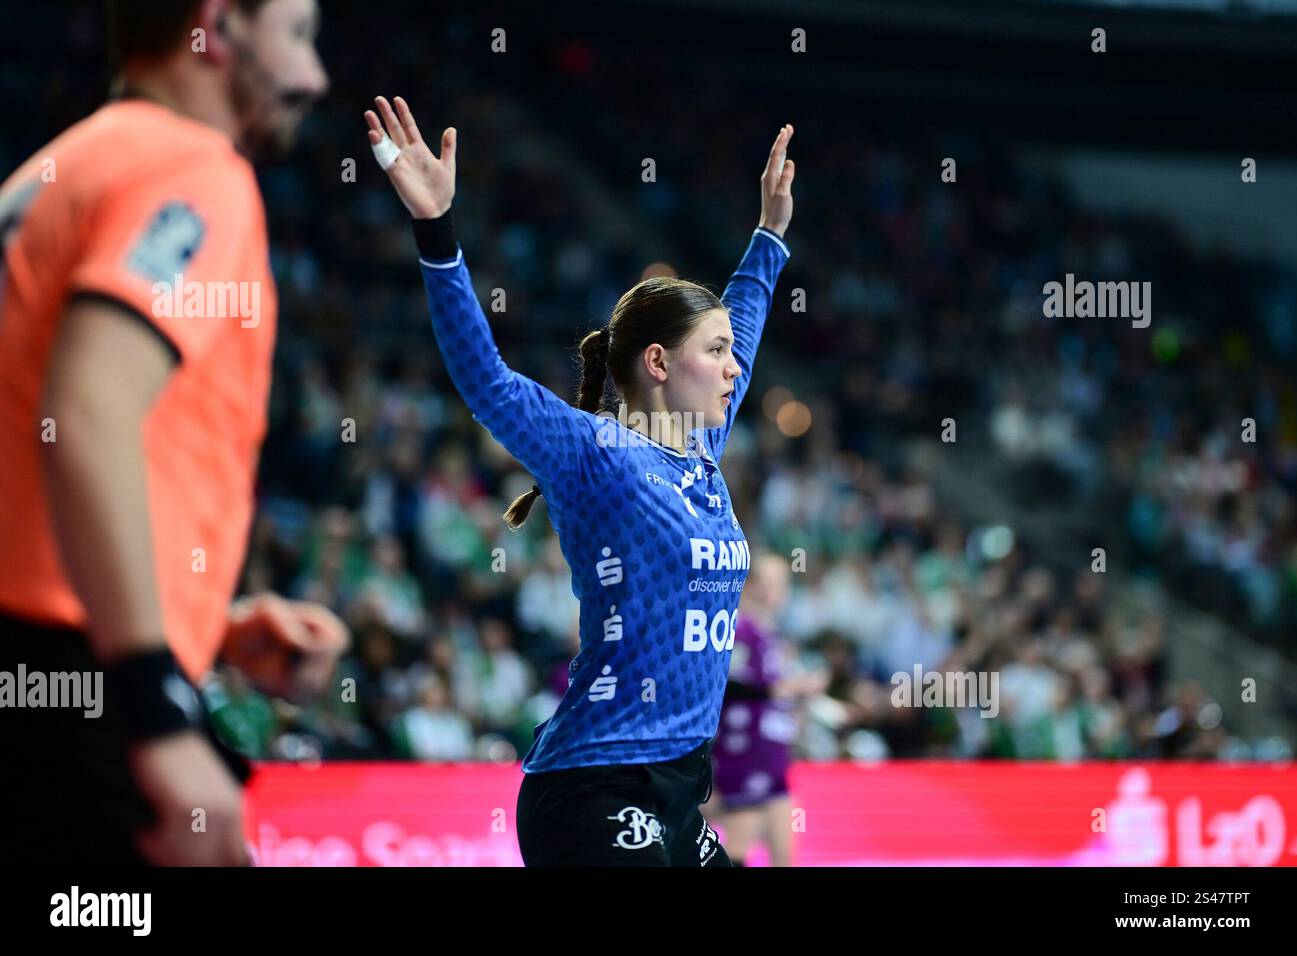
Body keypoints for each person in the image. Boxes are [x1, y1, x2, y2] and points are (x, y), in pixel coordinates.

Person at [366, 95, 795, 865]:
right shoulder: (596, 454)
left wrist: (768, 236)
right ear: (660, 364)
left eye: (733, 354)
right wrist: (437, 232)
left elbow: (749, 327)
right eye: (716, 352)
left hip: (679, 792)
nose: (736, 368)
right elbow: (489, 382)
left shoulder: (697, 451)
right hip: (594, 786)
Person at [0, 0, 344, 866]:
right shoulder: (194, 172)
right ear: (218, 26)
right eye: (298, 35)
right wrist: (154, 706)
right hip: (78, 695)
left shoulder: (53, 173)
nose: (316, 79)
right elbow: (87, 412)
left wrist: (209, 626)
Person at [708, 553, 828, 866]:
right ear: (752, 586)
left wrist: (800, 698)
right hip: (743, 751)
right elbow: (727, 684)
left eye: (781, 583)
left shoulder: (772, 635)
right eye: (769, 582)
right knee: (738, 848)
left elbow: (776, 693)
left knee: (784, 854)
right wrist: (786, 688)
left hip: (771, 755)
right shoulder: (737, 627)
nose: (777, 591)